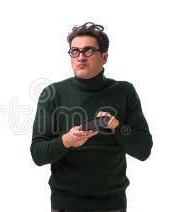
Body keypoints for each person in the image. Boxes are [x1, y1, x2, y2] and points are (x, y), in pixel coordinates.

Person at [30, 22, 153, 212]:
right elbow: (37, 153)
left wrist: (117, 127)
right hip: (66, 205)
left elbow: (144, 150)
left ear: (104, 57)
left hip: (112, 205)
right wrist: (66, 141)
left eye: (88, 51)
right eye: (74, 51)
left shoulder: (124, 91)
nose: (80, 57)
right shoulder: (53, 93)